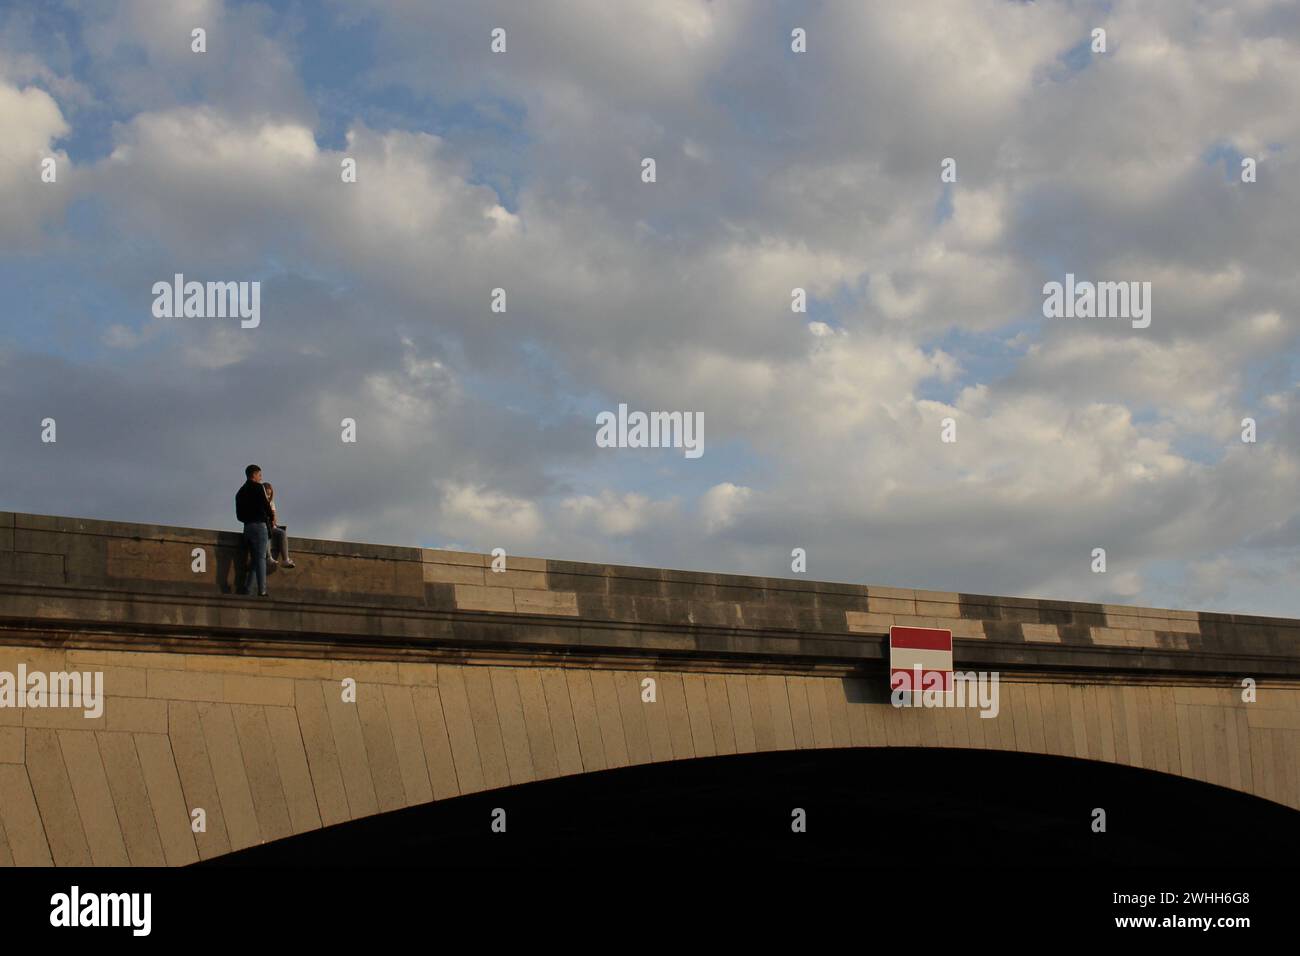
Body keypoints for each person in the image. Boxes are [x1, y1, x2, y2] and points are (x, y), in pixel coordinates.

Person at [235, 464, 275, 596]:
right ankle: (262, 590)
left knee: (255, 559)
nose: (260, 478)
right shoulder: (258, 488)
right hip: (259, 526)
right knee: (261, 558)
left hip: (247, 527)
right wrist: (270, 516)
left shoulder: (240, 492)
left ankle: (248, 589)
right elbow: (266, 505)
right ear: (254, 474)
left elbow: (238, 516)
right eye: (259, 475)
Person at [263, 481, 296, 569]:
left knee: (282, 533)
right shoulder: (260, 502)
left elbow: (274, 517)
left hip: (270, 526)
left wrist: (273, 521)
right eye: (267, 494)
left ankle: (285, 559)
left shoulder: (271, 503)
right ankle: (268, 557)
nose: (268, 496)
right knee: (267, 533)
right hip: (263, 527)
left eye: (270, 494)